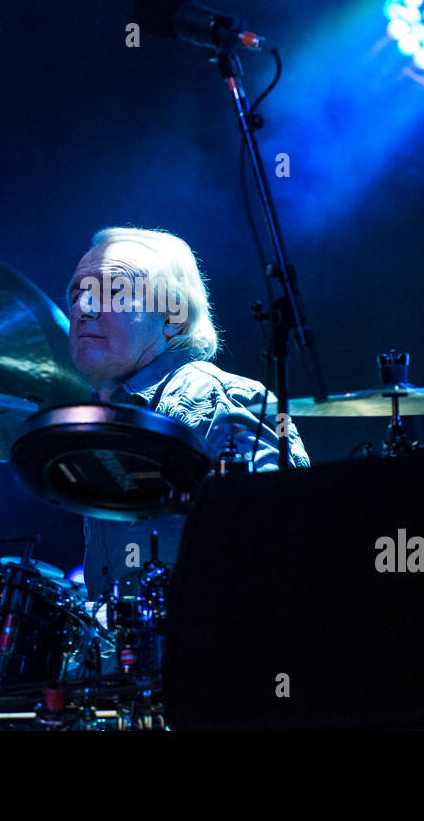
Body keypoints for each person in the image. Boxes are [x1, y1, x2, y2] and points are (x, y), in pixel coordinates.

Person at [67, 226, 309, 601]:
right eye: (77, 294)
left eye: (112, 291)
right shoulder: (102, 420)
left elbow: (282, 555)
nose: (84, 307)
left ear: (173, 317)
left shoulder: (220, 400)